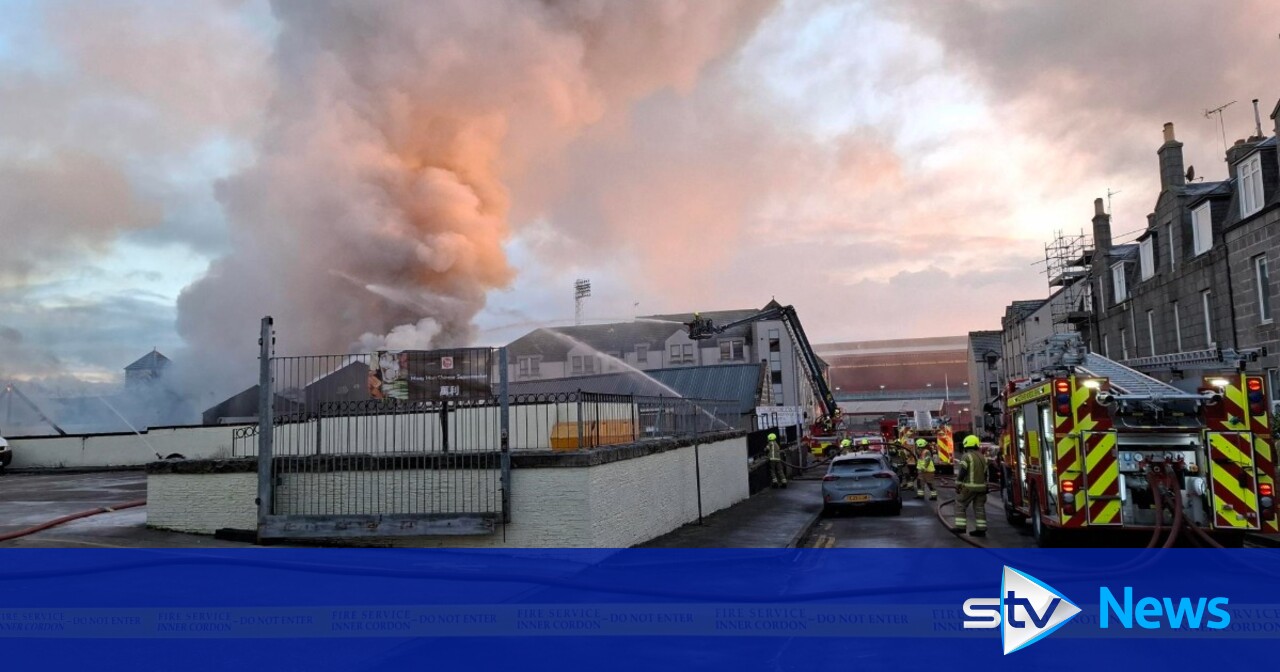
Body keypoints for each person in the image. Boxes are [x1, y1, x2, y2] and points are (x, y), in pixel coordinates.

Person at [954, 434, 989, 536]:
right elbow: (985, 474)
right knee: (979, 507)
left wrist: (958, 484)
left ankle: (960, 527)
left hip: (969, 487)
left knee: (960, 503)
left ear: (966, 445)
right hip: (982, 488)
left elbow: (962, 472)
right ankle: (981, 530)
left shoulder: (967, 456)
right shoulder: (983, 457)